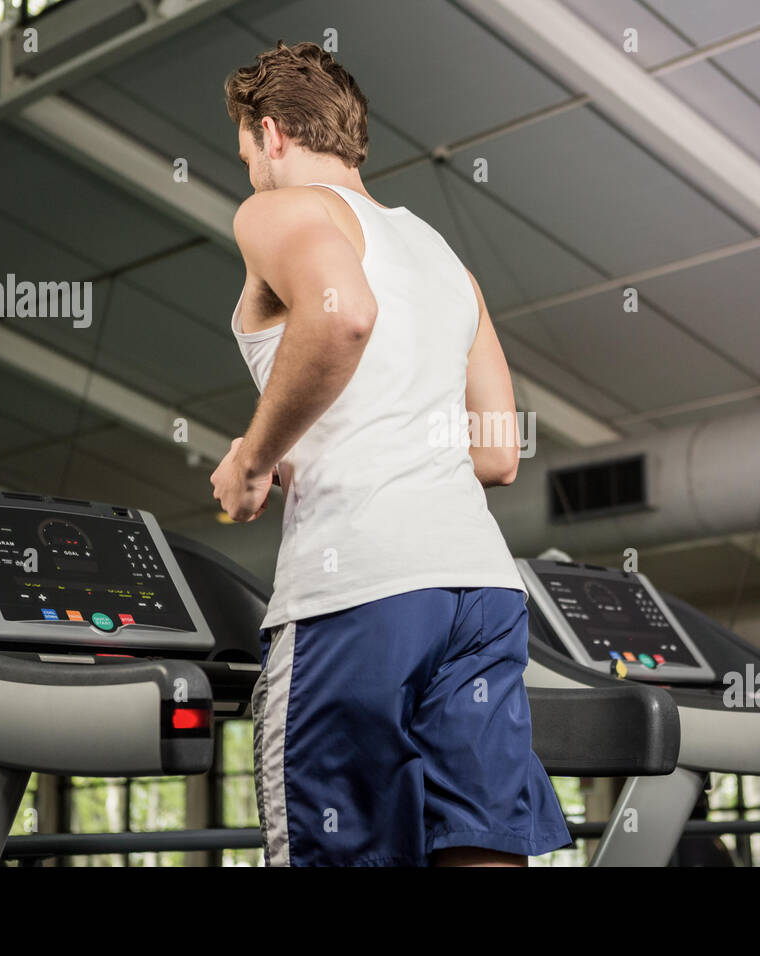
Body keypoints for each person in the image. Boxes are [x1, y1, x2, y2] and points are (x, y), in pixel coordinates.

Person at [211, 41, 570, 867]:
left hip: (362, 586)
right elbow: (497, 452)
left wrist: (256, 459)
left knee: (333, 851)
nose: (250, 179)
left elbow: (343, 317)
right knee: (478, 848)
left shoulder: (278, 210)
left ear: (271, 135)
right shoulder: (444, 256)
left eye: (246, 158)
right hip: (479, 591)